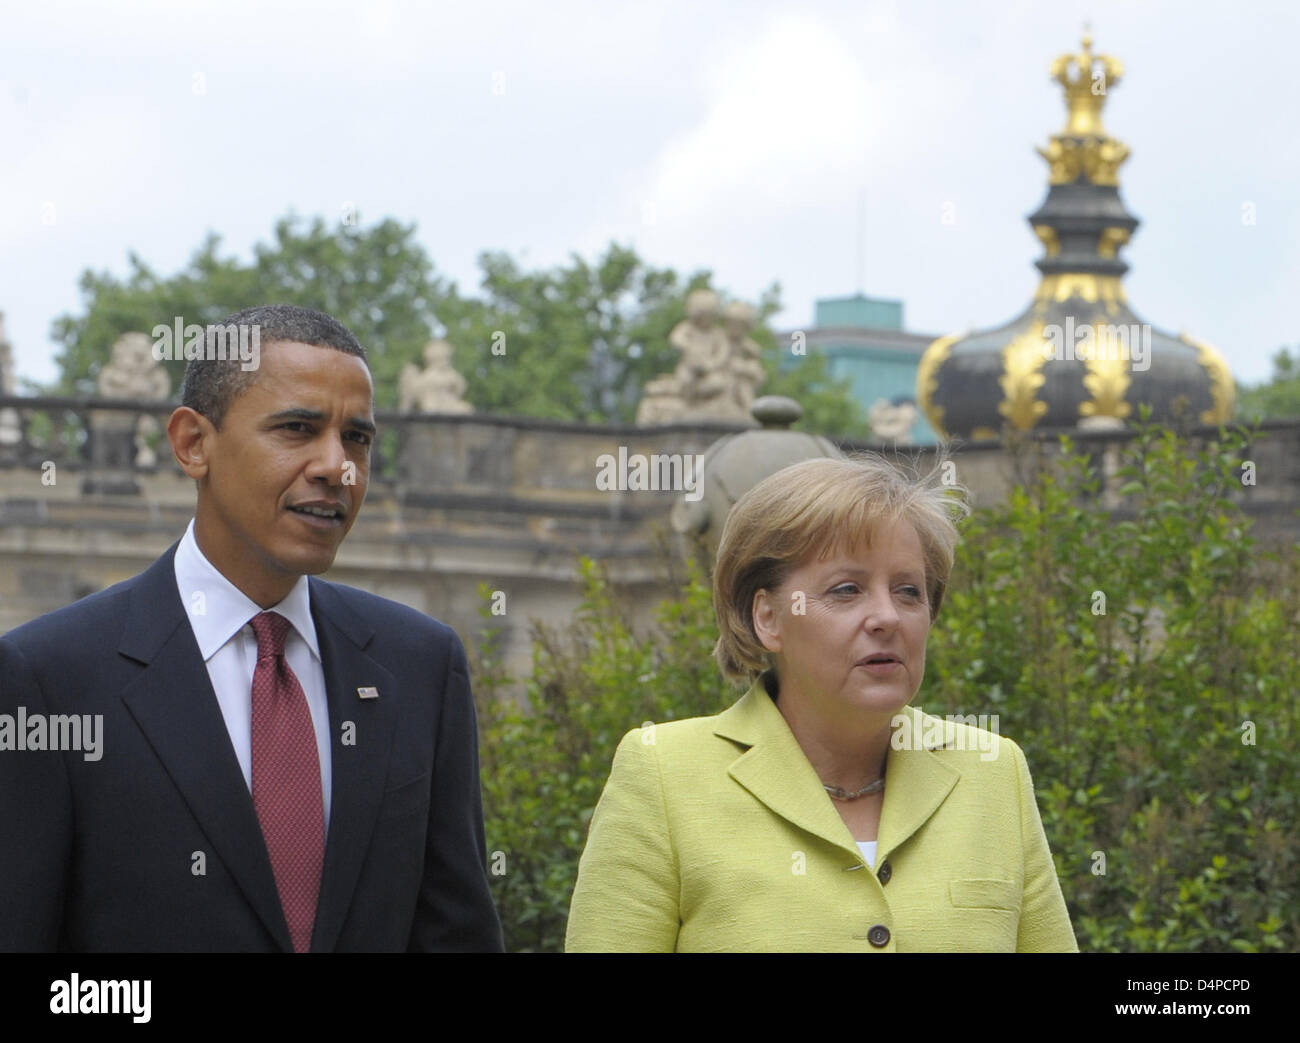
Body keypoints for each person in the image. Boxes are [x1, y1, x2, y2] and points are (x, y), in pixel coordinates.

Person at [0, 304, 503, 952]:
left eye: (357, 438)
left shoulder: (422, 666)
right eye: (297, 428)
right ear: (192, 442)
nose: (337, 466)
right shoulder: (47, 677)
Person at [565, 454, 1077, 952]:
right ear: (767, 617)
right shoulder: (662, 773)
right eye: (847, 589)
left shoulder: (994, 770)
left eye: (908, 592)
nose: (887, 617)